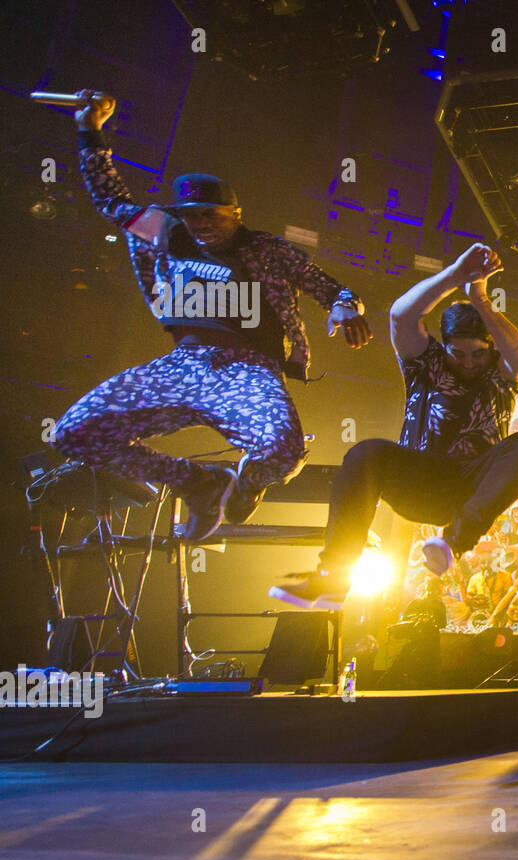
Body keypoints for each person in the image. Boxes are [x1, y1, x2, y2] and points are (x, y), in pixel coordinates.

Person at [52, 89, 371, 540]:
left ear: (235, 214)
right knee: (73, 433)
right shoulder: (166, 234)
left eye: (212, 216)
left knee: (282, 453)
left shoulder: (264, 248)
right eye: (192, 216)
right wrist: (90, 130)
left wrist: (346, 306)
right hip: (184, 365)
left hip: (247, 369)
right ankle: (197, 484)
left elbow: (328, 286)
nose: (201, 224)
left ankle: (246, 483)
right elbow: (111, 200)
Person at [269, 243, 518, 609]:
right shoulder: (424, 362)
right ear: (443, 347)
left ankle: (452, 544)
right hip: (421, 480)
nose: (468, 362)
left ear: (490, 348)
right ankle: (333, 576)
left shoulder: (501, 372)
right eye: (457, 353)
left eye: (478, 353)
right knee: (366, 452)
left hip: (471, 485)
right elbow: (400, 316)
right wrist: (456, 275)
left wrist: (480, 298)